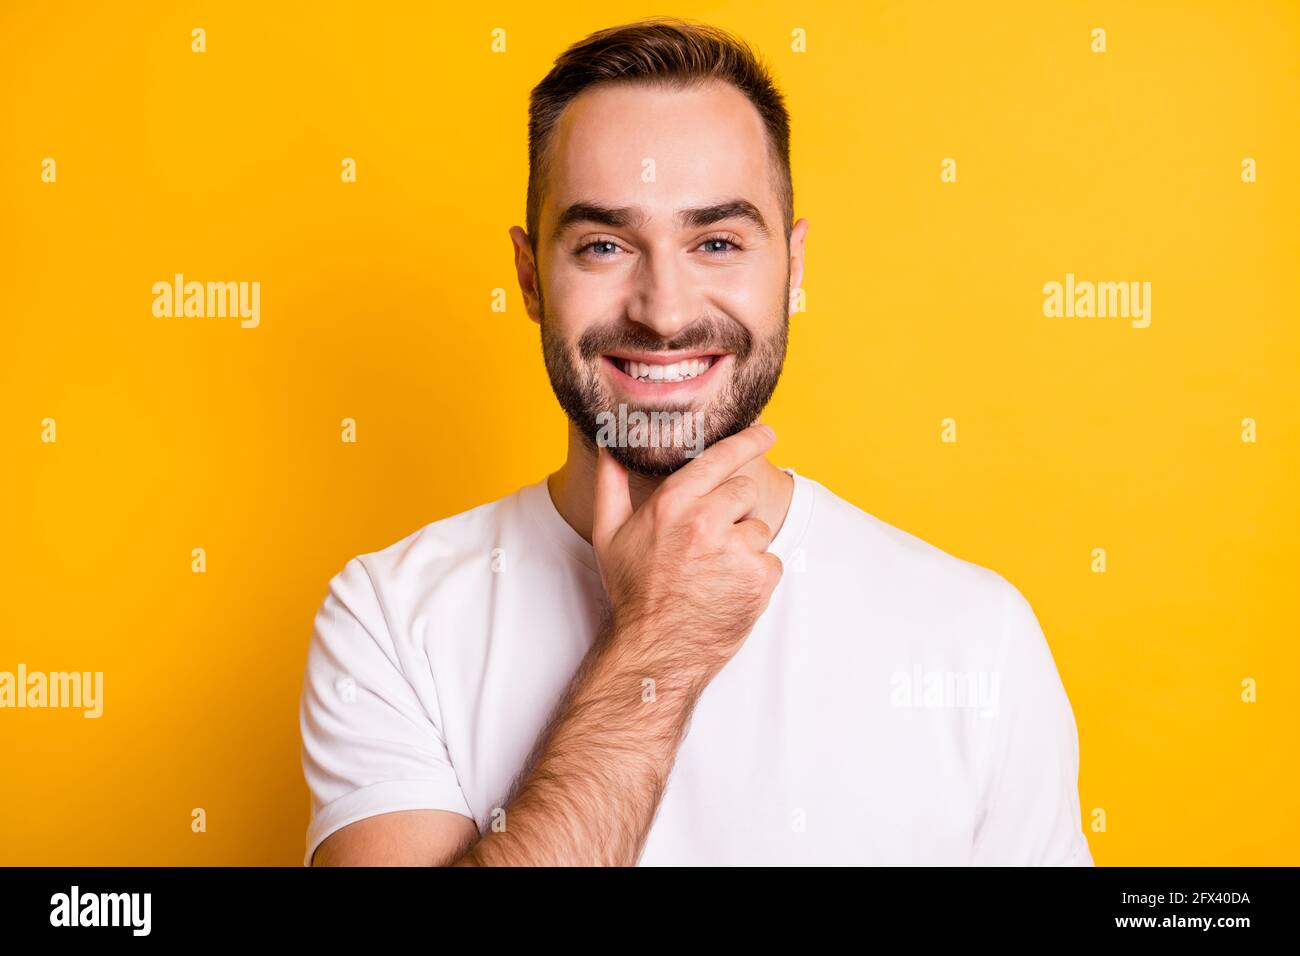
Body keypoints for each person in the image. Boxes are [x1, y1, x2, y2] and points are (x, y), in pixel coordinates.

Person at [299, 17, 1093, 866]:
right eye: (604, 245)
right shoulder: (388, 618)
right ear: (530, 278)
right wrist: (660, 636)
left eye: (716, 242)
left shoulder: (976, 635)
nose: (665, 311)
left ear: (793, 271)